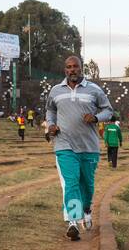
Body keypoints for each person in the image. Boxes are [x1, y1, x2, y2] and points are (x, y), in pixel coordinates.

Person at [46, 56, 114, 240]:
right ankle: (73, 222)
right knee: (72, 182)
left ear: (81, 68)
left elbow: (108, 110)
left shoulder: (94, 90)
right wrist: (51, 125)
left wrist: (96, 118)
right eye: (68, 67)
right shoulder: (55, 91)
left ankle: (86, 208)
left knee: (88, 185)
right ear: (65, 70)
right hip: (64, 144)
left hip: (89, 146)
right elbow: (50, 110)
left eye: (75, 66)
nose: (72, 70)